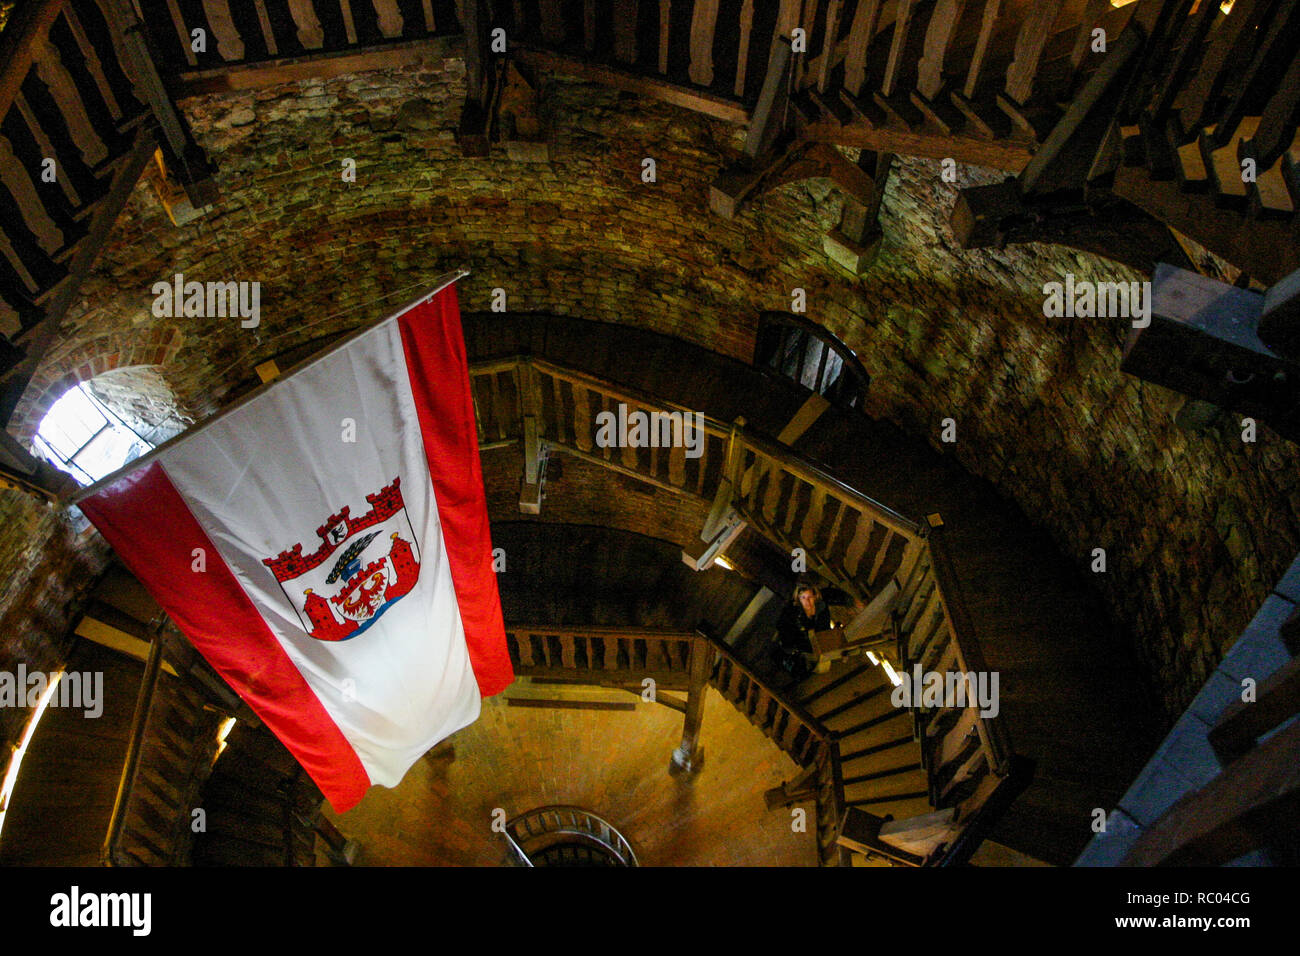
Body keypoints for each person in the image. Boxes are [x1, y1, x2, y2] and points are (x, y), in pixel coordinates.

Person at [773, 578, 845, 683]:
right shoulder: (791, 617)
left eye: (810, 597)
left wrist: (850, 601)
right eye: (803, 598)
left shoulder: (820, 608)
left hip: (818, 645)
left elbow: (830, 595)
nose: (808, 602)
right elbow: (789, 639)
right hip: (804, 650)